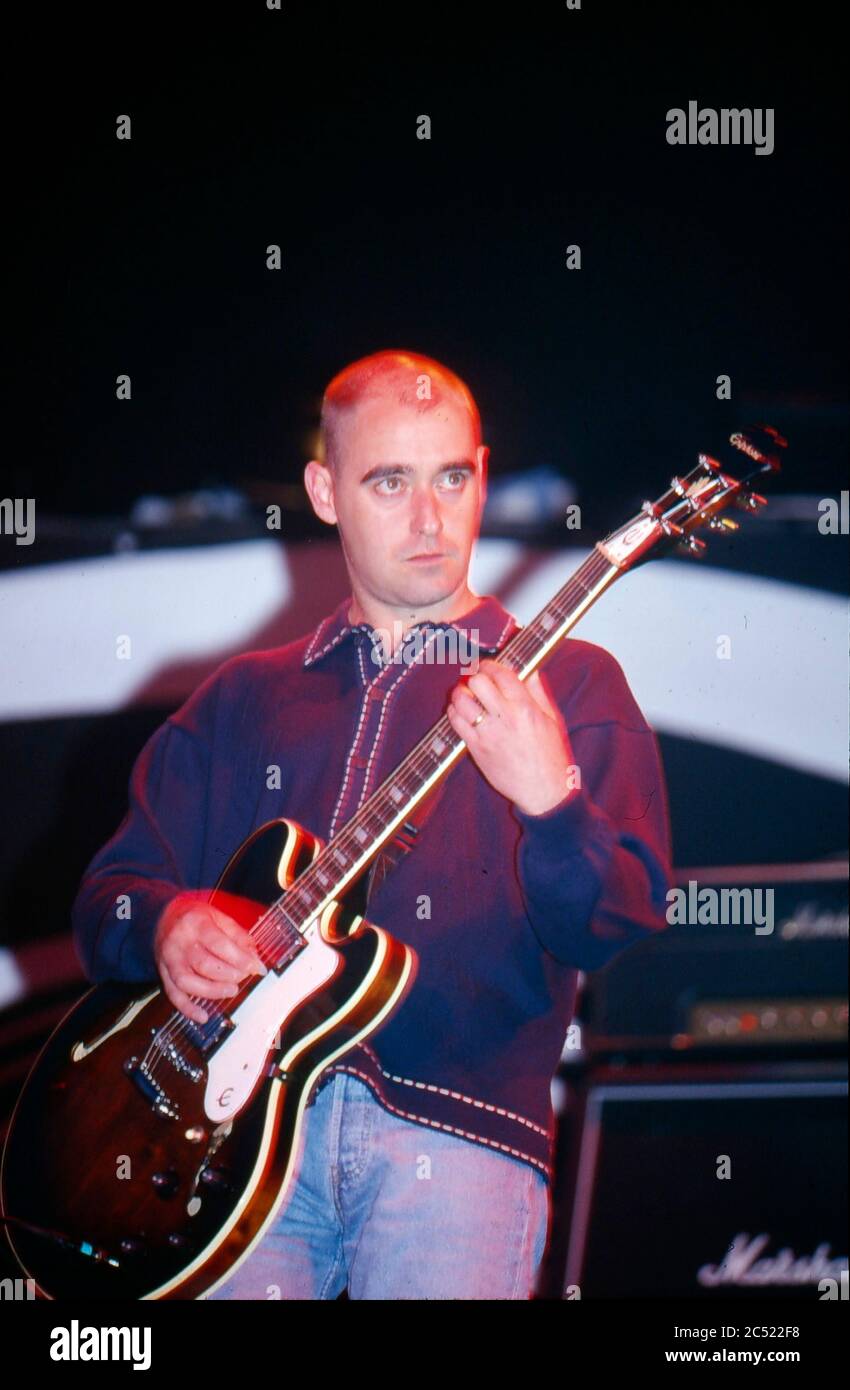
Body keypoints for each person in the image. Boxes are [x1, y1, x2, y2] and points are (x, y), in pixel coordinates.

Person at [71, 348, 674, 1300]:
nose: (430, 521)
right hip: (228, 1154)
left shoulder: (572, 683)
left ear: (483, 473)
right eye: (390, 482)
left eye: (453, 478)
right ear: (324, 490)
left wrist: (549, 802)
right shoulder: (240, 700)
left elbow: (613, 924)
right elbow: (106, 903)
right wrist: (167, 925)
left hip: (460, 1141)